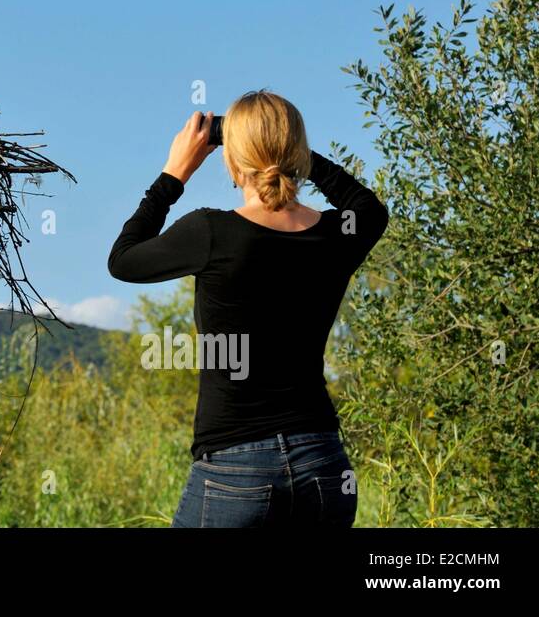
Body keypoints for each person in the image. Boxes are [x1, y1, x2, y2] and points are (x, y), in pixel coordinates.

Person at [108, 90, 388, 527]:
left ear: (234, 161)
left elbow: (122, 260)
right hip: (323, 463)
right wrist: (290, 151)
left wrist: (173, 175)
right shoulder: (340, 234)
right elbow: (368, 206)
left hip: (235, 469)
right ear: (297, 153)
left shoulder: (210, 232)